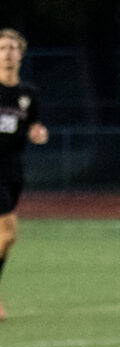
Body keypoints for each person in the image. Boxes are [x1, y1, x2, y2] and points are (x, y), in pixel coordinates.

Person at [0, 28, 48, 322]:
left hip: (12, 171)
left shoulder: (28, 94)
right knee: (9, 230)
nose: (7, 53)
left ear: (21, 54)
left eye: (12, 48)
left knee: (5, 239)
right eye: (2, 48)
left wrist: (38, 133)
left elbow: (32, 126)